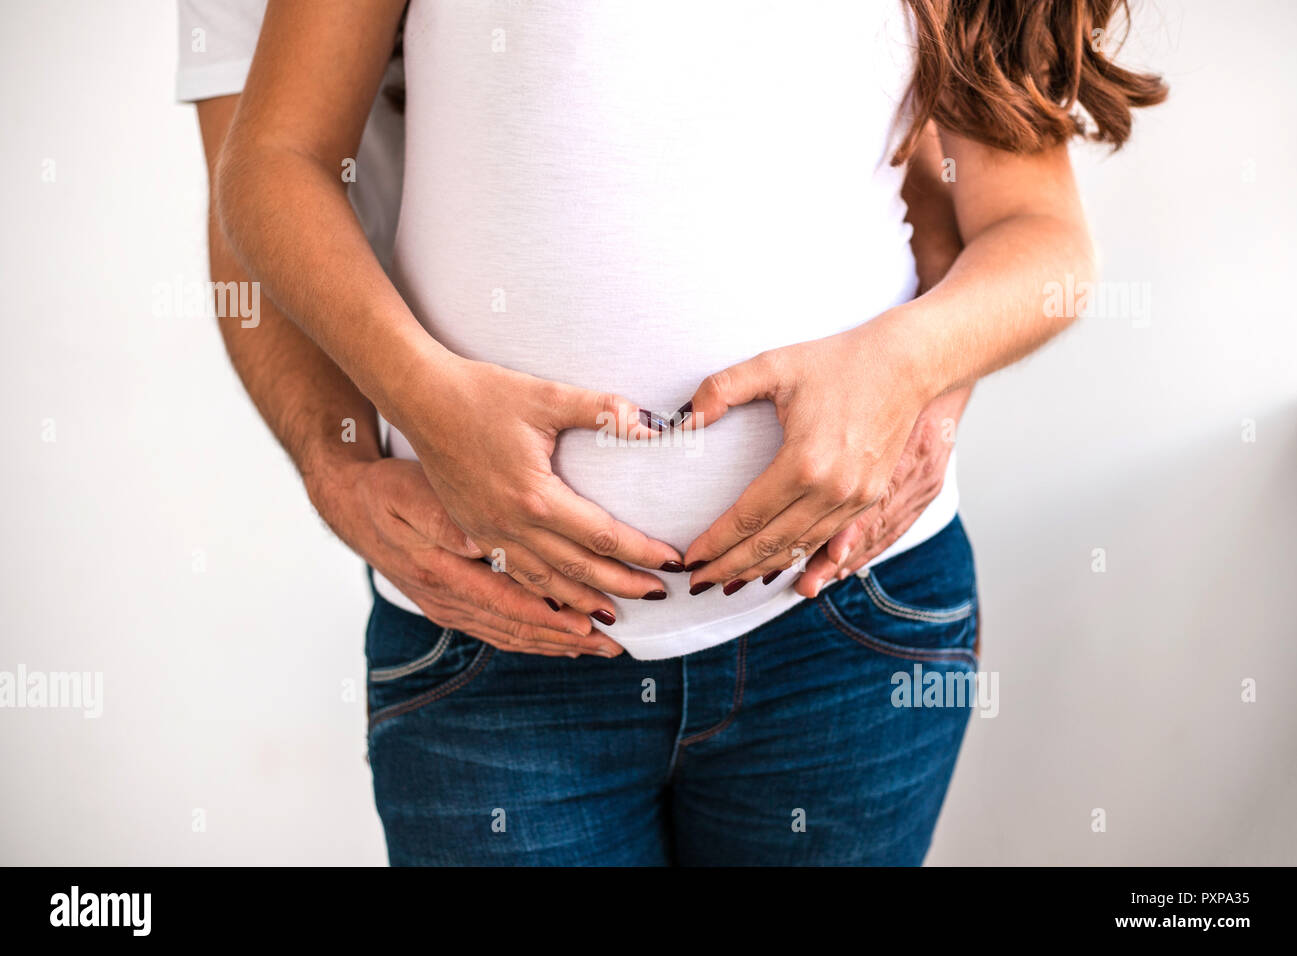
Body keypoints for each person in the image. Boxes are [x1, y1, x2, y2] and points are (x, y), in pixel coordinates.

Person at [196, 0, 1164, 864]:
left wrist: (904, 365)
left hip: (848, 619)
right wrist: (425, 403)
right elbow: (272, 159)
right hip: (494, 626)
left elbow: (1038, 232)